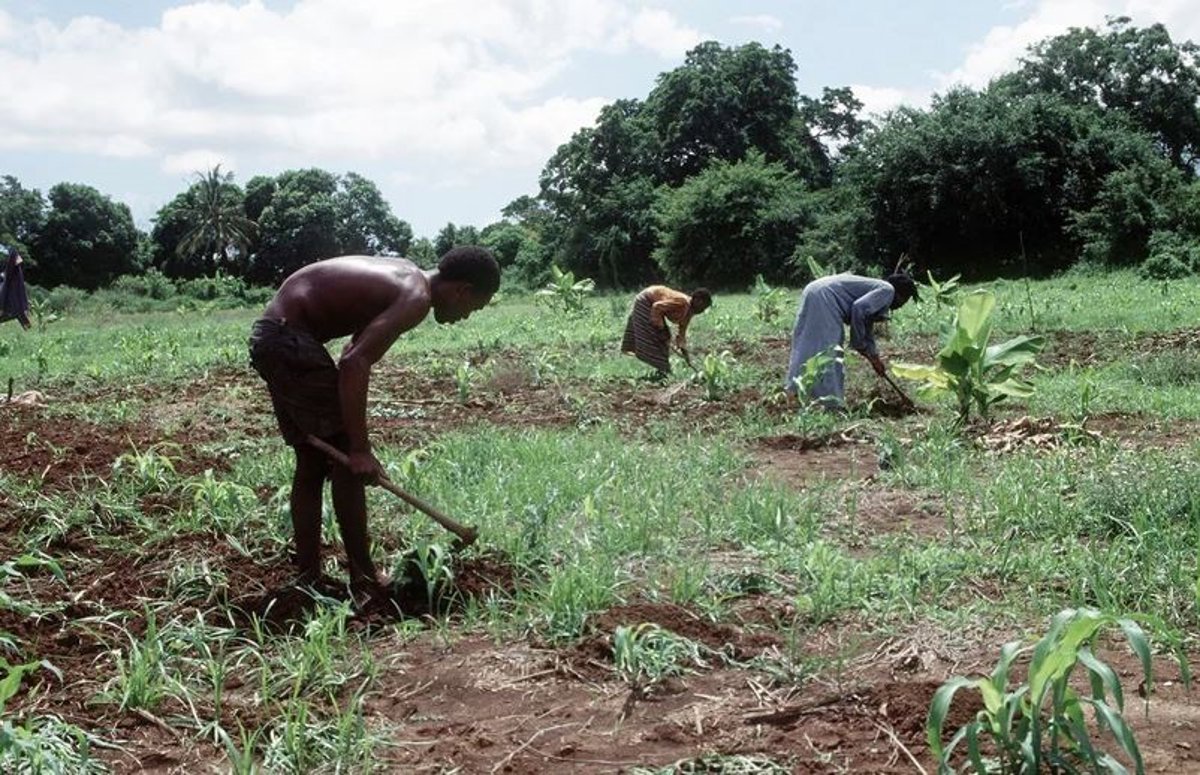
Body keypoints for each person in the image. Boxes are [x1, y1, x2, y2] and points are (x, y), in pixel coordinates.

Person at [248, 246, 500, 595]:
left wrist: (353, 441)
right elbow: (354, 363)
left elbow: (352, 353)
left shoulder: (407, 276)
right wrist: (360, 448)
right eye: (474, 308)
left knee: (312, 460)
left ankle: (309, 577)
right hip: (288, 340)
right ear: (463, 291)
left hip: (273, 336)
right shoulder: (416, 297)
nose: (466, 316)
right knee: (347, 463)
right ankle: (363, 577)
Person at [783, 273, 917, 407]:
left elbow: (866, 324)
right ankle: (830, 404)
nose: (902, 306)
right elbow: (859, 308)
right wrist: (858, 343)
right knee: (830, 352)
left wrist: (874, 356)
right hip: (826, 298)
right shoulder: (888, 290)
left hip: (813, 290)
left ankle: (795, 392)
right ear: (901, 294)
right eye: (905, 300)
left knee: (807, 344)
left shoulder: (877, 289)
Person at [621, 285, 712, 376]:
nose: (703, 310)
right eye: (703, 306)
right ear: (697, 300)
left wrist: (685, 353)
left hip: (653, 307)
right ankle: (663, 369)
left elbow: (682, 333)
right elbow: (657, 307)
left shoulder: (688, 313)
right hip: (646, 300)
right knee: (654, 336)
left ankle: (662, 369)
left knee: (664, 337)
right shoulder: (682, 302)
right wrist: (660, 329)